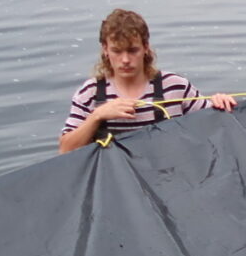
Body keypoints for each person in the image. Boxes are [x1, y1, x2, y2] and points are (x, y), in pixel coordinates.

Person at [59, 8, 236, 154]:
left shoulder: (175, 86)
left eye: (132, 50)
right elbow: (66, 151)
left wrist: (220, 103)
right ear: (105, 50)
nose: (125, 60)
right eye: (117, 51)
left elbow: (214, 128)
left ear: (145, 48)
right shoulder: (90, 93)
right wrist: (97, 116)